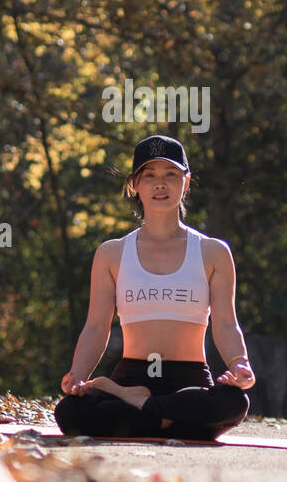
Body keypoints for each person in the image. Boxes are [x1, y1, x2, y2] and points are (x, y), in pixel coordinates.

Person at [54, 134, 255, 441]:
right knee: (70, 412)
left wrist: (239, 364)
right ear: (135, 184)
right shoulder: (112, 253)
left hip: (189, 381)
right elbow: (96, 327)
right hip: (131, 376)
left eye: (170, 175)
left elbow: (226, 324)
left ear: (185, 183)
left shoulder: (213, 252)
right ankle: (167, 415)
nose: (160, 184)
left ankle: (144, 407)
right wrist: (79, 376)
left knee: (234, 403)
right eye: (150, 176)